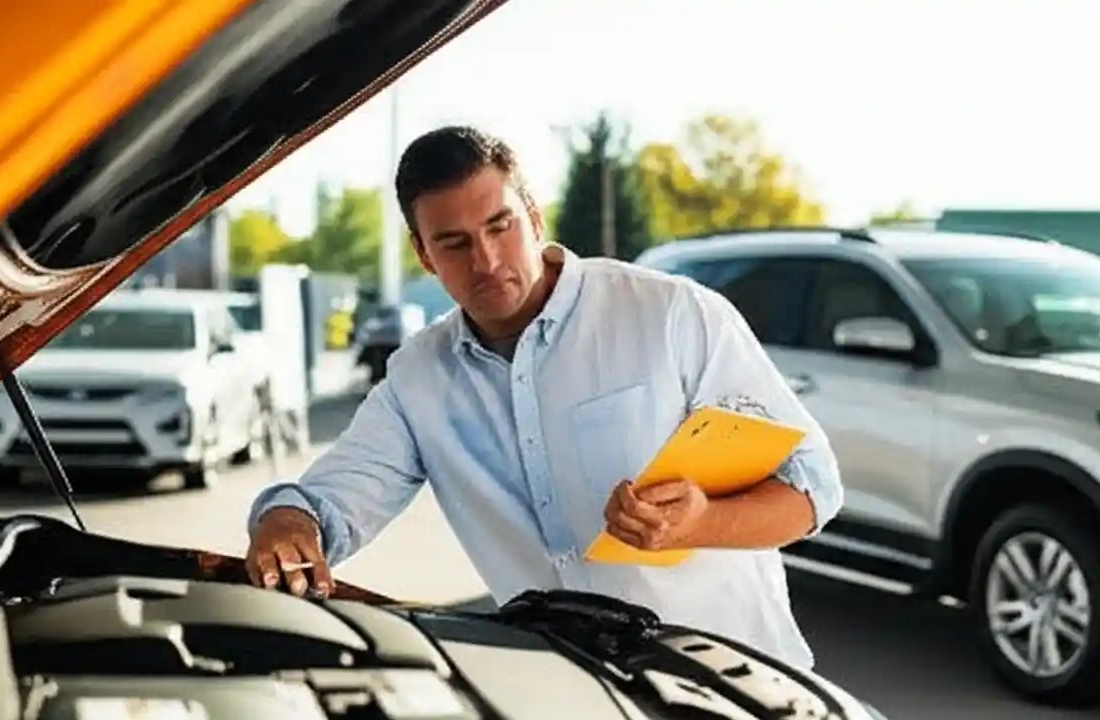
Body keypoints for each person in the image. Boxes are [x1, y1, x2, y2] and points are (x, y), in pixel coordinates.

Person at [245, 125, 842, 670]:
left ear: (533, 216)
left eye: (499, 226)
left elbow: (813, 486)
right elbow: (327, 506)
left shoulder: (671, 315)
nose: (486, 261)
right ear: (424, 255)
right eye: (453, 243)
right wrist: (286, 520)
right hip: (572, 694)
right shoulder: (418, 378)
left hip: (736, 687)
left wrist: (703, 522)